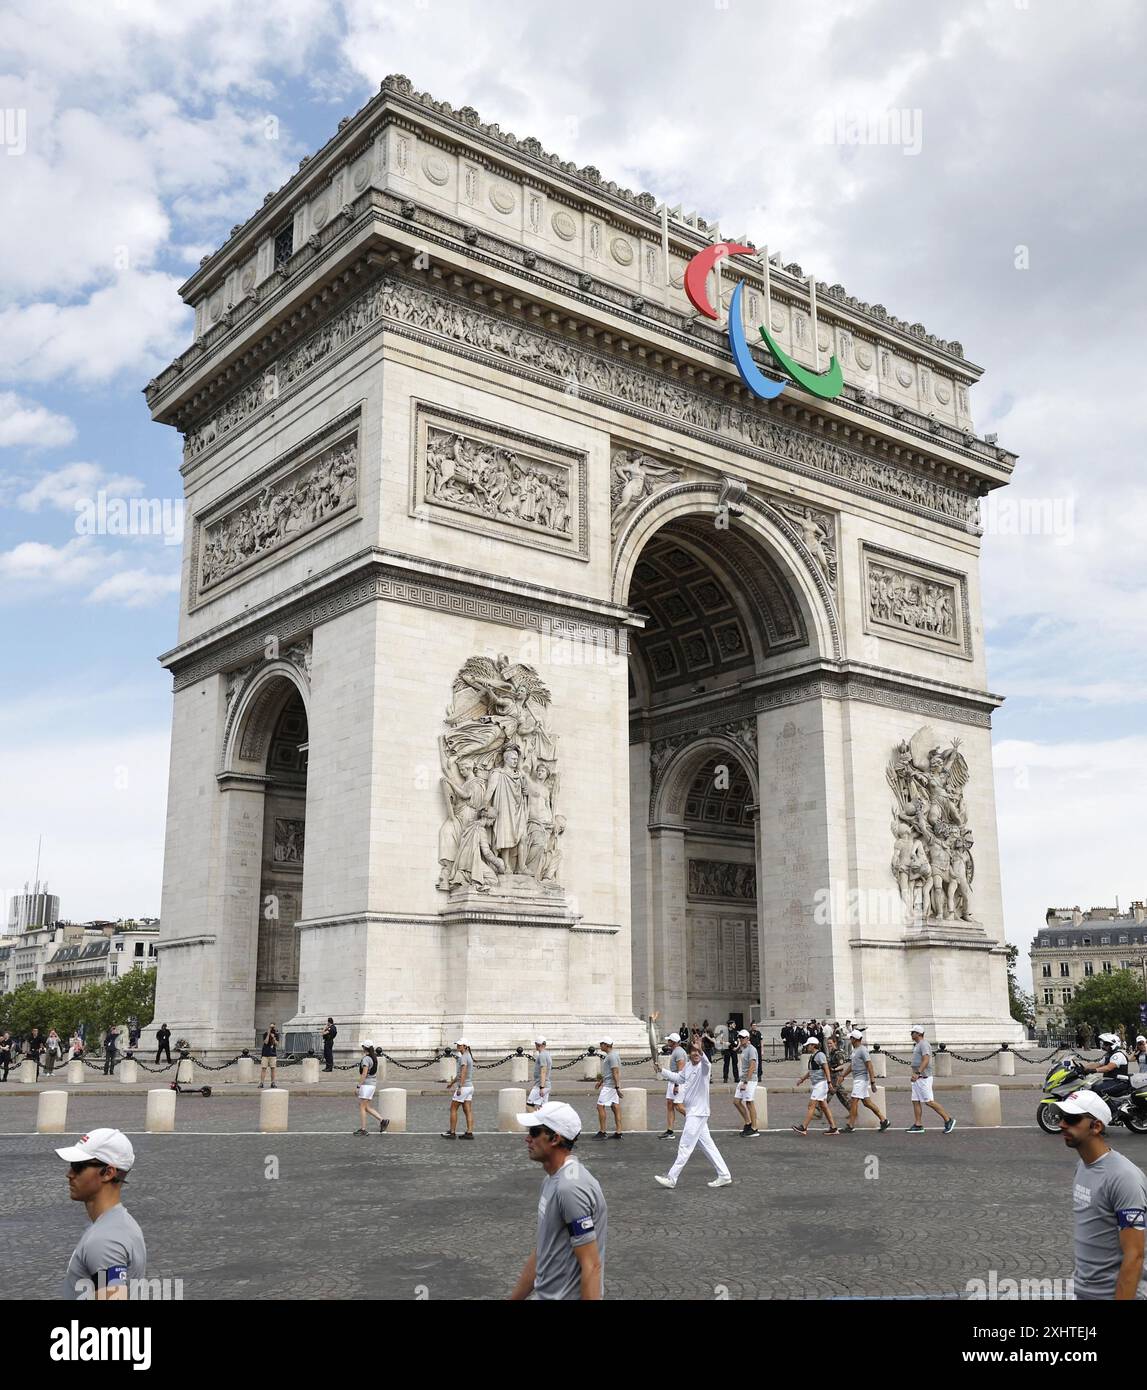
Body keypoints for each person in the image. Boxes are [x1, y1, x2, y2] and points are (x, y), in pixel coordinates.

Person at [1053, 1090, 1147, 1299]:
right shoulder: (1082, 1166)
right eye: (1061, 1117)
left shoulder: (1124, 1177)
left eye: (1071, 1119)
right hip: (1085, 1293)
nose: (1062, 1124)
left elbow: (1135, 1255)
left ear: (1096, 1127)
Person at [509, 1101, 606, 1300]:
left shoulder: (571, 1187)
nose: (528, 1138)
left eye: (535, 1132)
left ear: (555, 1138)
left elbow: (591, 1265)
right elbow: (544, 1250)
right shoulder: (551, 1180)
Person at [55, 1128, 147, 1300]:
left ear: (108, 1173)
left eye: (78, 1166)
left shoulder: (105, 1240)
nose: (69, 1174)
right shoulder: (121, 1223)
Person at [653, 1036, 732, 1188]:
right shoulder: (688, 1066)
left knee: (685, 1145)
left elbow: (707, 1063)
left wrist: (701, 1049)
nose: (695, 1053)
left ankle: (672, 1178)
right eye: (693, 1051)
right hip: (693, 1112)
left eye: (698, 1051)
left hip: (698, 1113)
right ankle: (724, 1175)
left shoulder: (704, 1068)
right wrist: (661, 1070)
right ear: (689, 1053)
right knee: (708, 1146)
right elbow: (679, 1077)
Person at [906, 1025, 955, 1133]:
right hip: (917, 1077)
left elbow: (926, 1059)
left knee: (929, 1101)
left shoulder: (924, 1044)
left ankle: (948, 1119)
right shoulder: (918, 1044)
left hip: (924, 1077)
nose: (911, 1034)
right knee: (915, 1100)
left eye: (913, 1032)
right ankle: (918, 1124)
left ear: (918, 1034)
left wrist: (918, 1072)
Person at [841, 1029, 890, 1133]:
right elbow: (852, 1065)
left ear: (854, 1039)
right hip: (858, 1079)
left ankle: (850, 1125)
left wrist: (873, 1082)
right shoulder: (855, 1050)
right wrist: (843, 1075)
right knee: (867, 1103)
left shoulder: (863, 1050)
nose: (850, 1039)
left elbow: (870, 1065)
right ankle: (883, 1120)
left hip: (861, 1080)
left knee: (854, 1102)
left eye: (851, 1038)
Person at [792, 1036, 841, 1136]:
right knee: (824, 1106)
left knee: (811, 1105)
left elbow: (826, 1068)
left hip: (821, 1084)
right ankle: (833, 1127)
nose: (807, 1047)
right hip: (818, 1084)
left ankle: (804, 1127)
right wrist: (802, 1079)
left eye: (808, 1045)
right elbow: (812, 1071)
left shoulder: (820, 1055)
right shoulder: (814, 1055)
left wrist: (829, 1082)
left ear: (813, 1045)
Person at [1082, 1033, 1133, 1106]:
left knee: (1098, 1090)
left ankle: (1113, 1110)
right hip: (1111, 1081)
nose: (1103, 1046)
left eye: (1106, 1044)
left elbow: (1109, 1067)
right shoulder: (1109, 1055)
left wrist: (1095, 1070)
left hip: (1119, 1082)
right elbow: (1097, 1064)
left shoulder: (1118, 1055)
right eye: (1104, 1044)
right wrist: (1083, 1068)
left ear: (1113, 1045)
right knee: (1091, 1087)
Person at [352, 1042, 389, 1135]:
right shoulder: (374, 1058)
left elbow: (364, 1074)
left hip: (366, 1085)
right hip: (372, 1085)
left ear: (365, 1048)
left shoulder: (366, 1059)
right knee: (367, 1107)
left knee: (362, 1107)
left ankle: (363, 1129)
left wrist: (358, 1086)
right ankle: (382, 1120)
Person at [442, 1038, 475, 1139]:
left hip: (464, 1087)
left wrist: (460, 1087)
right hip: (470, 1087)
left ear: (465, 1046)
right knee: (467, 1110)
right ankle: (469, 1132)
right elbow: (460, 1074)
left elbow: (463, 1073)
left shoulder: (464, 1057)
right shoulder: (468, 1056)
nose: (458, 1046)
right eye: (457, 1045)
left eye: (460, 1045)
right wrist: (452, 1083)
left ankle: (452, 1132)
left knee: (453, 1108)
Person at [658, 1032, 688, 1139]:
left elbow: (680, 1070)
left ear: (673, 1042)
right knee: (670, 1104)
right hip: (673, 1081)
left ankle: (695, 1122)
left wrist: (676, 1085)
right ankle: (670, 1131)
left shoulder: (679, 1052)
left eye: (669, 1040)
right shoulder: (677, 1051)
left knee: (678, 1106)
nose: (667, 1042)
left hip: (677, 1082)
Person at [732, 1029, 761, 1137]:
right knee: (736, 1101)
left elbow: (752, 1066)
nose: (740, 1039)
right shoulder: (744, 1049)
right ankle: (748, 1122)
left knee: (749, 1102)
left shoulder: (751, 1050)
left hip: (750, 1080)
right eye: (739, 1037)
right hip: (744, 1079)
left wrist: (745, 1081)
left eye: (743, 1037)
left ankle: (754, 1128)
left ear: (748, 1038)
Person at [594, 1036, 623, 1139]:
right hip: (611, 1085)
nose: (600, 1045)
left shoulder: (611, 1056)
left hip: (610, 1086)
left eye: (601, 1044)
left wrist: (617, 1087)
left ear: (606, 1045)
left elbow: (615, 1071)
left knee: (600, 1106)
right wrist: (601, 1082)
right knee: (615, 1107)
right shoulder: (612, 1055)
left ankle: (602, 1131)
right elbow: (610, 1072)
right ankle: (619, 1132)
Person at [527, 1037, 553, 1111]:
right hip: (546, 1085)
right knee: (543, 1108)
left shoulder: (542, 1055)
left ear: (538, 1045)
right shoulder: (547, 1054)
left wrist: (541, 1087)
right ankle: (543, 1122)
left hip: (541, 1085)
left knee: (529, 1105)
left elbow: (543, 1071)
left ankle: (536, 1122)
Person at [722, 1019, 740, 1083]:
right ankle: (725, 1077)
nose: (735, 1025)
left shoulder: (736, 1032)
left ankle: (736, 1077)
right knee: (726, 1064)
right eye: (733, 1024)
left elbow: (739, 1041)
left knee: (735, 1063)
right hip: (727, 1050)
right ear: (730, 1025)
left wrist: (737, 1048)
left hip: (734, 1050)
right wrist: (725, 1043)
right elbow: (721, 1041)